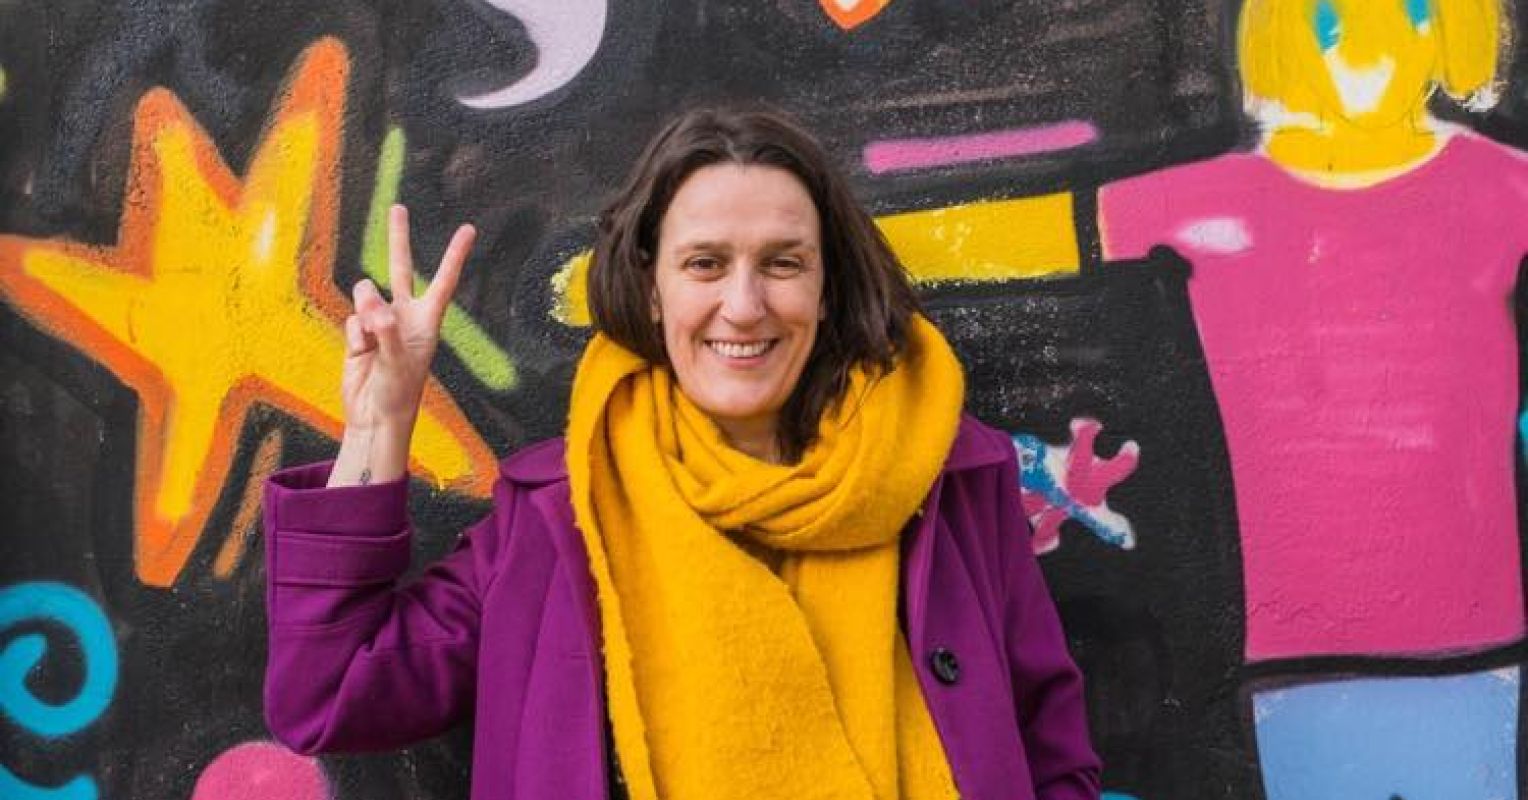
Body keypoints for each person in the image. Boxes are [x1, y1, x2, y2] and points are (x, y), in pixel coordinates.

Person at [262, 108, 1101, 800]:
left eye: (783, 263)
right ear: (651, 286)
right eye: (705, 263)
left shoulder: (949, 481)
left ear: (827, 287)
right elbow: (330, 696)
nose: (744, 304)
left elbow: (1051, 749)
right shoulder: (560, 512)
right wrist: (380, 424)